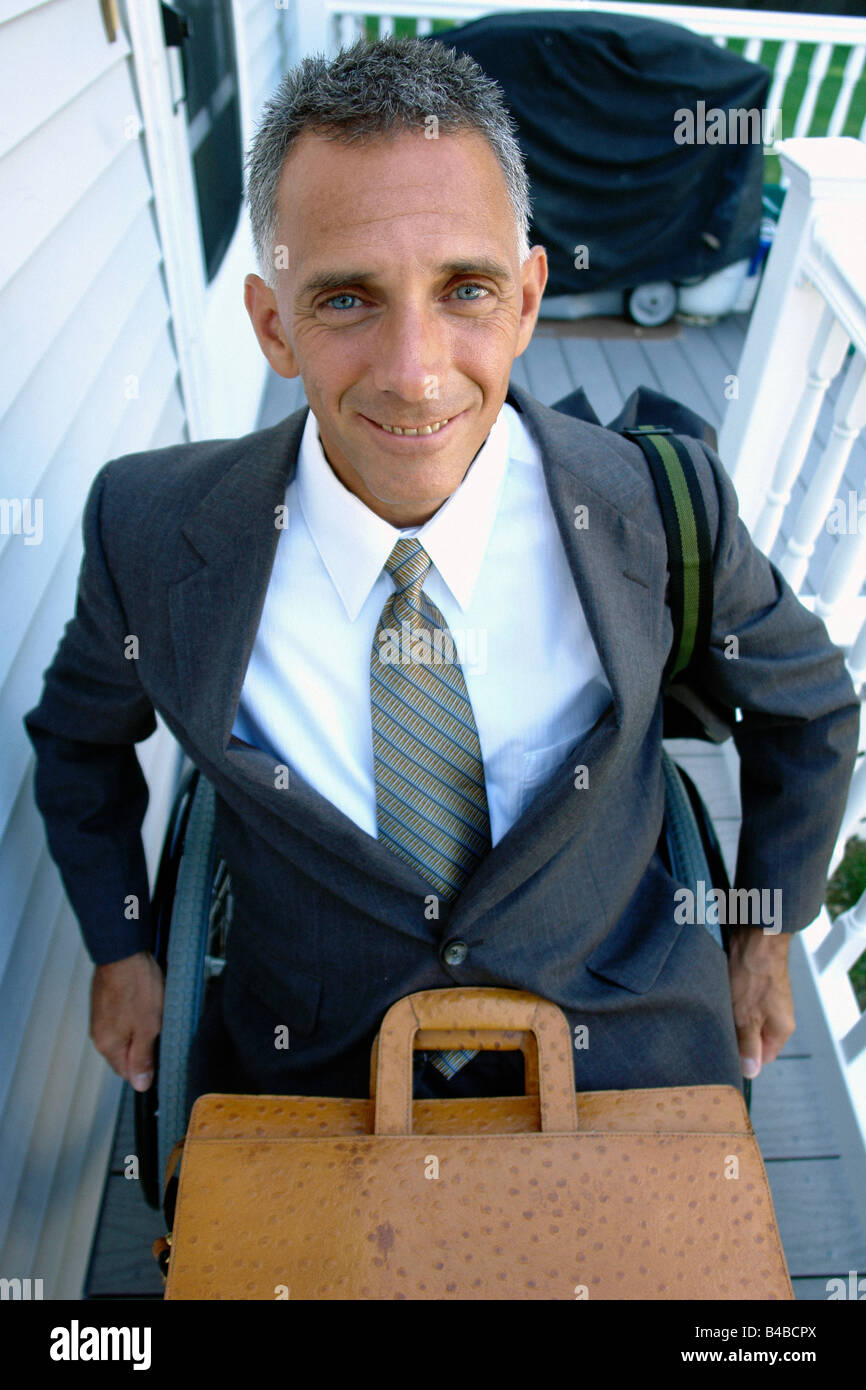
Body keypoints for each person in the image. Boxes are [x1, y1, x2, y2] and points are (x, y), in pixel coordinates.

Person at [25, 38, 859, 1107]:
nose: (414, 374)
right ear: (273, 326)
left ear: (523, 300)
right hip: (309, 1069)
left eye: (462, 289)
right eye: (344, 301)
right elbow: (76, 740)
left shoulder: (656, 509)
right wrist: (121, 944)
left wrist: (763, 928)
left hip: (623, 1044)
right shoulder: (151, 530)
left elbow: (811, 707)